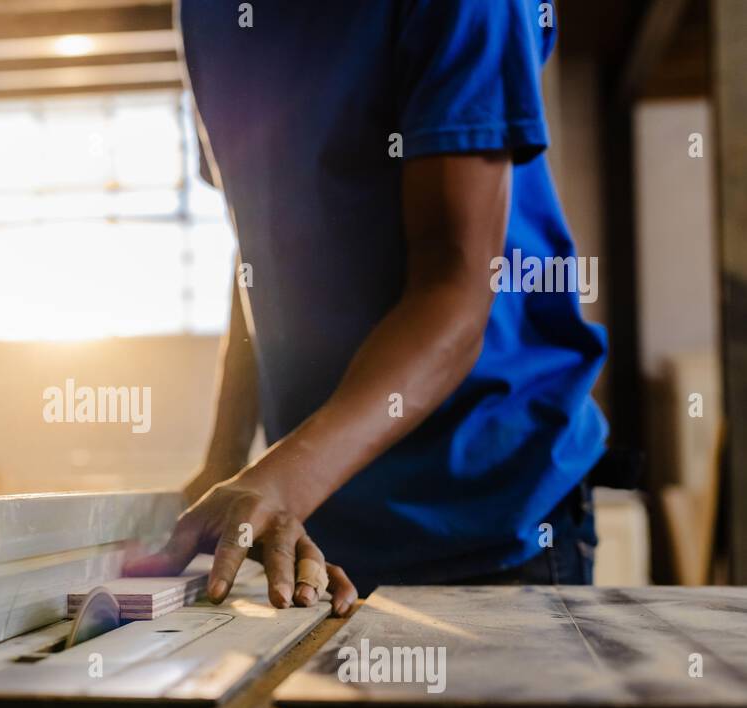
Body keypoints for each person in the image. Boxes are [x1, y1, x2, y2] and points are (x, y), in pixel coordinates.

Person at [127, 1, 606, 613]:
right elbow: (259, 250)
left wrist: (281, 479)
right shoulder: (209, 12)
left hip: (488, 511)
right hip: (327, 526)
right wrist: (225, 469)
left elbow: (453, 292)